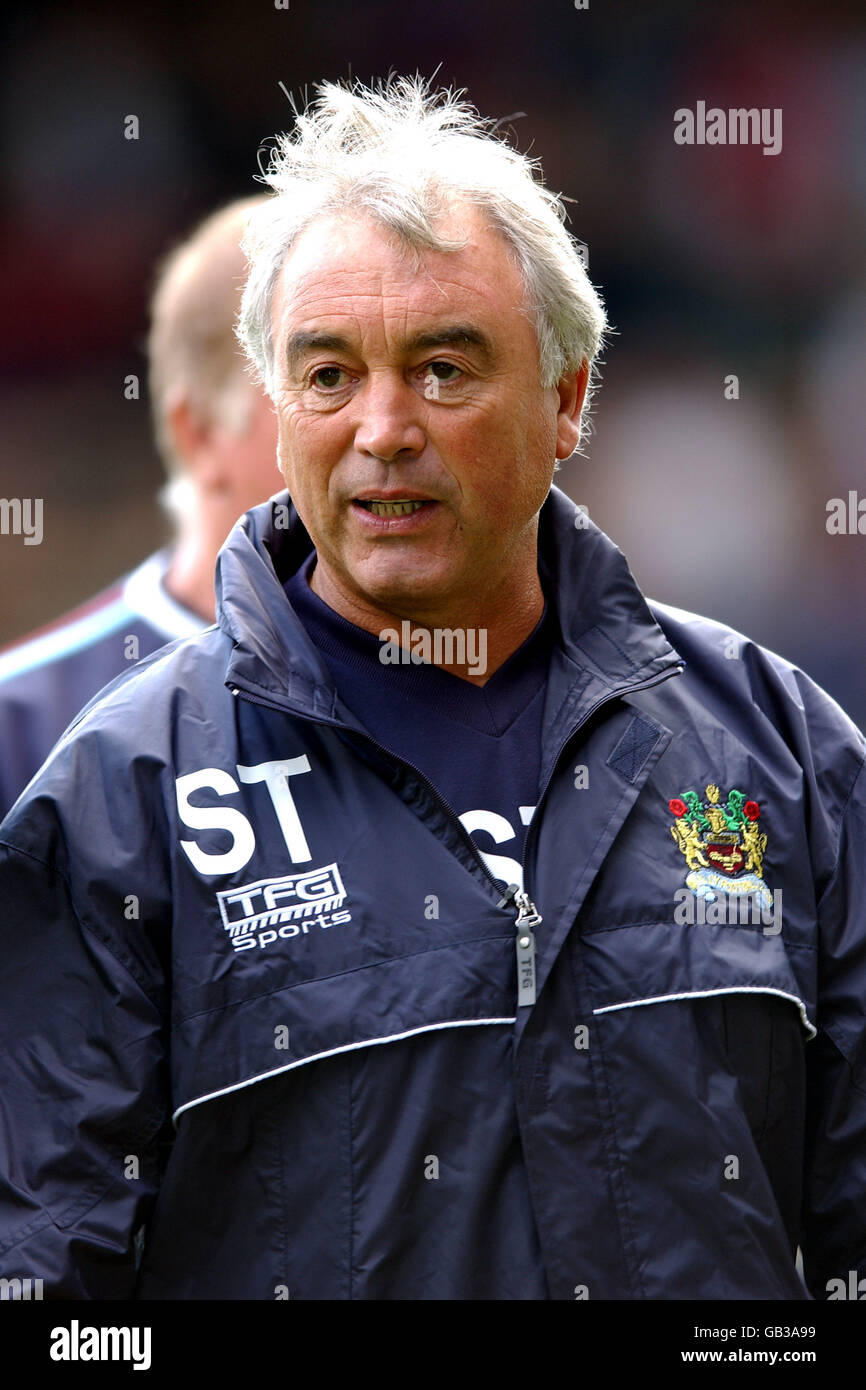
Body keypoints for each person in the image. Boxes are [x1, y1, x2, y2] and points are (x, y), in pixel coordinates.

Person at [0, 76, 863, 1302]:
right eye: (328, 375)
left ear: (566, 400)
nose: (383, 427)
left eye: (444, 370)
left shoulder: (776, 749)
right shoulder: (117, 796)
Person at [0, 195, 279, 820]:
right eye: (326, 377)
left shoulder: (505, 677)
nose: (385, 425)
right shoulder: (20, 733)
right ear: (201, 431)